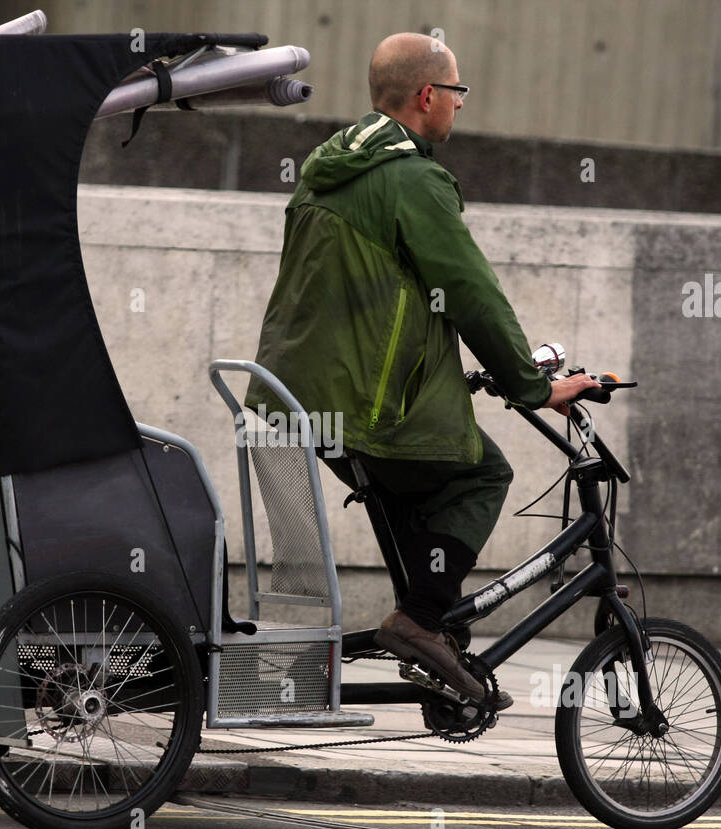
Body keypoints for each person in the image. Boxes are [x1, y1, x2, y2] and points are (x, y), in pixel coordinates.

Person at [245, 32, 597, 705]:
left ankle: (428, 641)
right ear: (428, 96)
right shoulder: (412, 180)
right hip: (361, 408)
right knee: (483, 472)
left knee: (419, 483)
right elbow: (472, 296)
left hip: (294, 395)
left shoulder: (329, 165)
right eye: (457, 92)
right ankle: (421, 623)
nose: (460, 105)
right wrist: (533, 387)